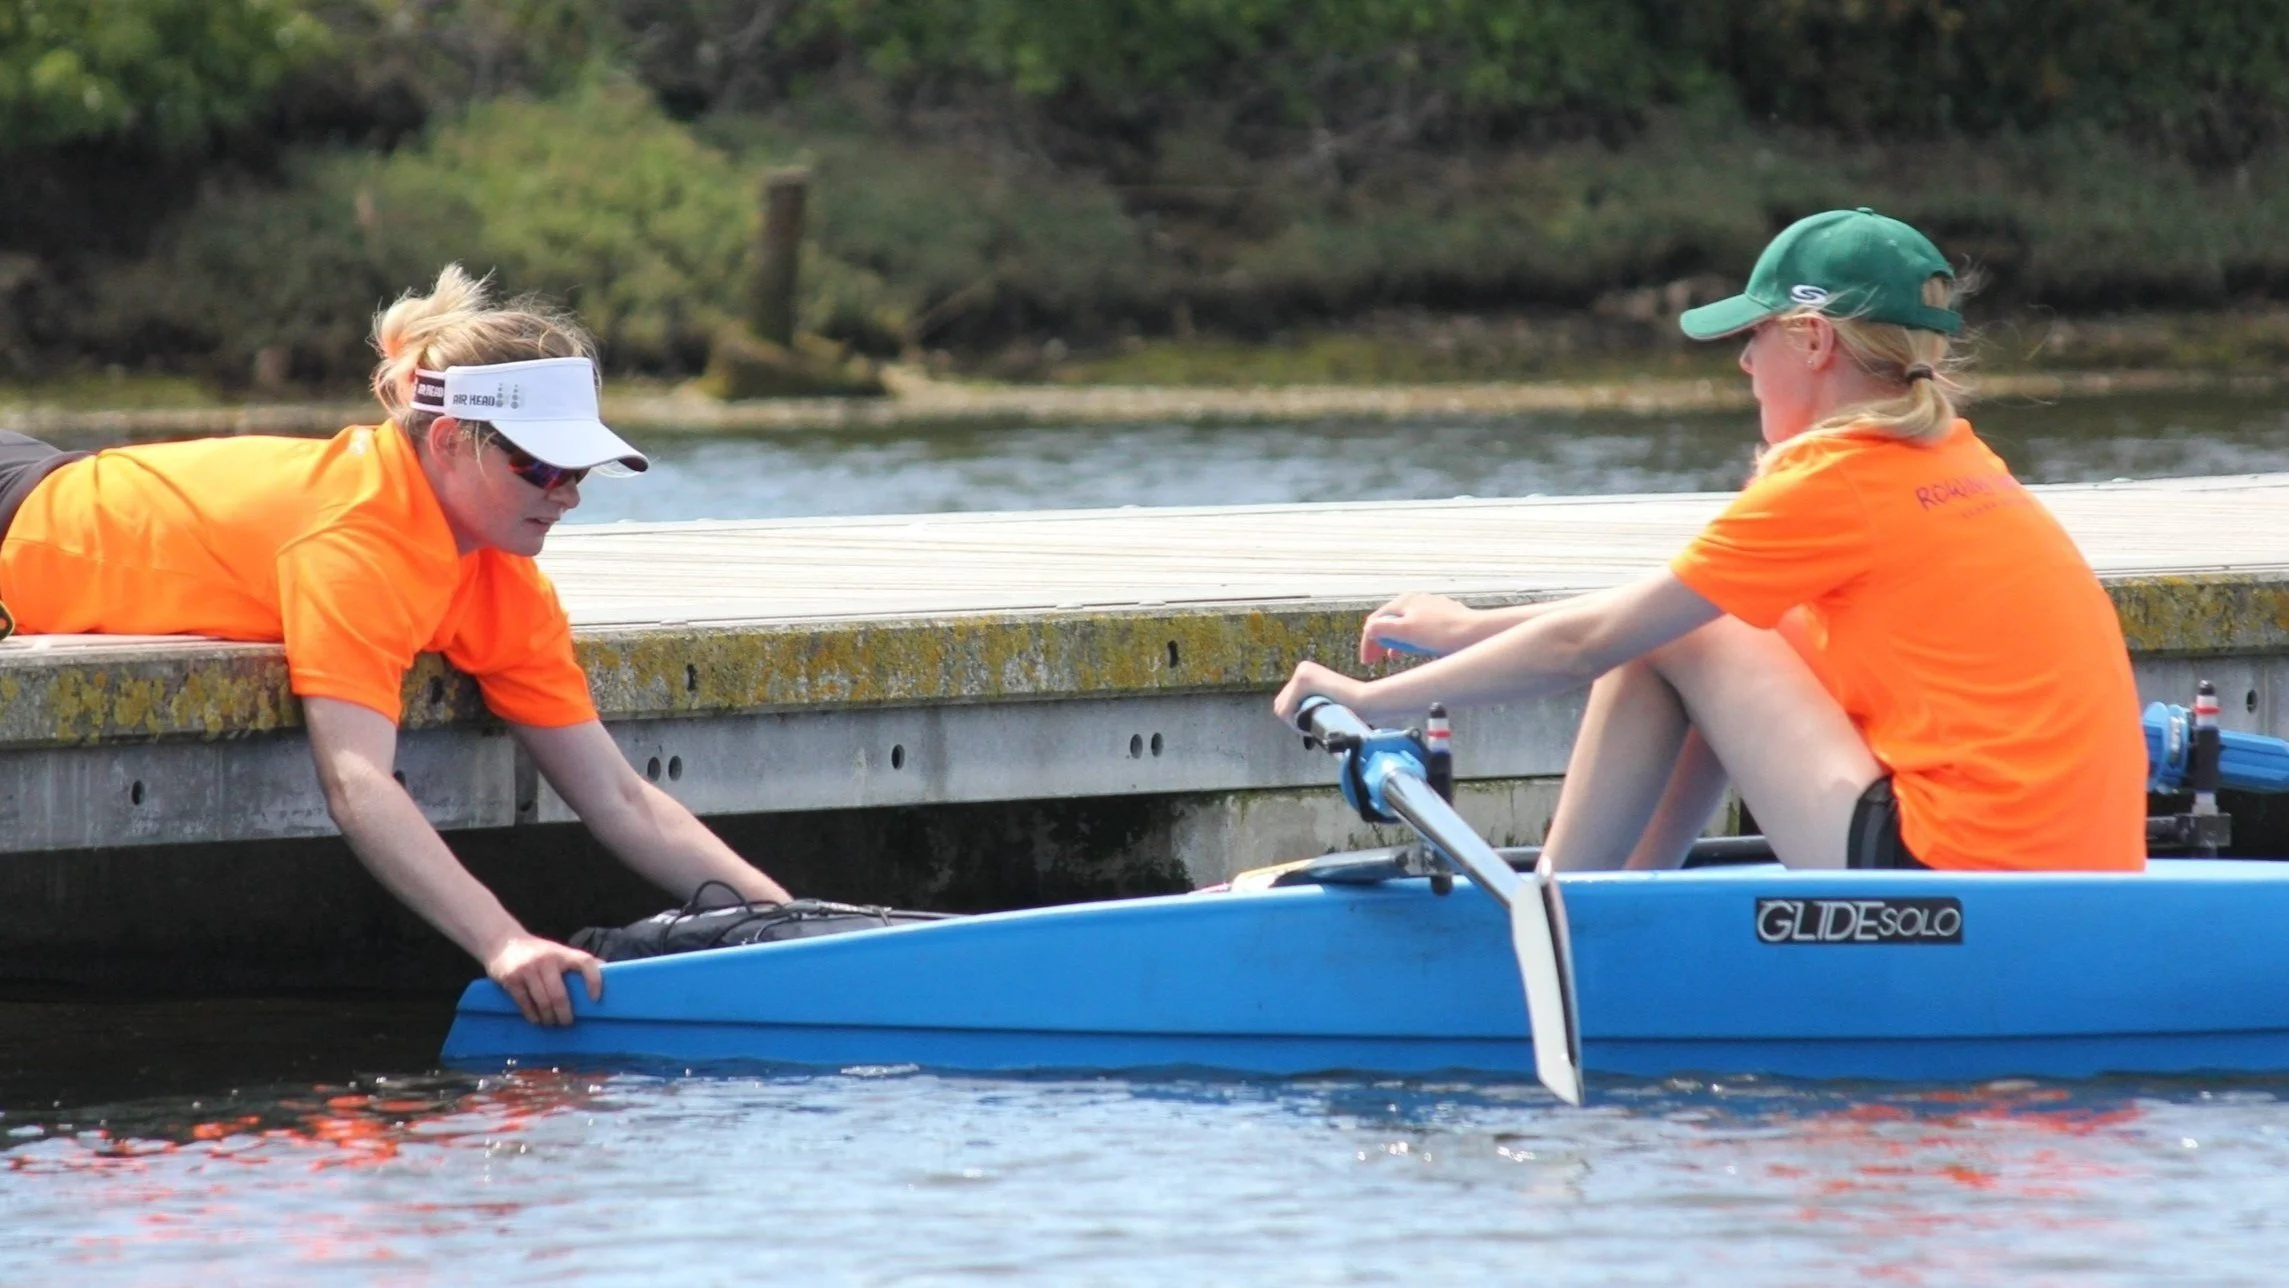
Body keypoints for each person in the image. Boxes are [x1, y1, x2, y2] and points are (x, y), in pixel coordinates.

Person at [0, 266, 793, 1022]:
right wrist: (503, 940)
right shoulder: (355, 547)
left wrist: (788, 928)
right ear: (448, 441)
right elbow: (357, 784)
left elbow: (621, 799)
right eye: (541, 468)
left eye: (579, 469)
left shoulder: (502, 579)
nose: (569, 495)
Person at [1272, 208, 2147, 874]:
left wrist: (1371, 698)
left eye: (1751, 334)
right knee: (1710, 628)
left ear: (1809, 341)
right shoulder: (1954, 457)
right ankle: (1609, 912)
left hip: (1951, 882)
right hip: (2079, 882)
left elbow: (1599, 642)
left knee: (1686, 634)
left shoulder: (1834, 480)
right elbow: (1657, 613)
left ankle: (1553, 924)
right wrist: (1466, 628)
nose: (1741, 362)